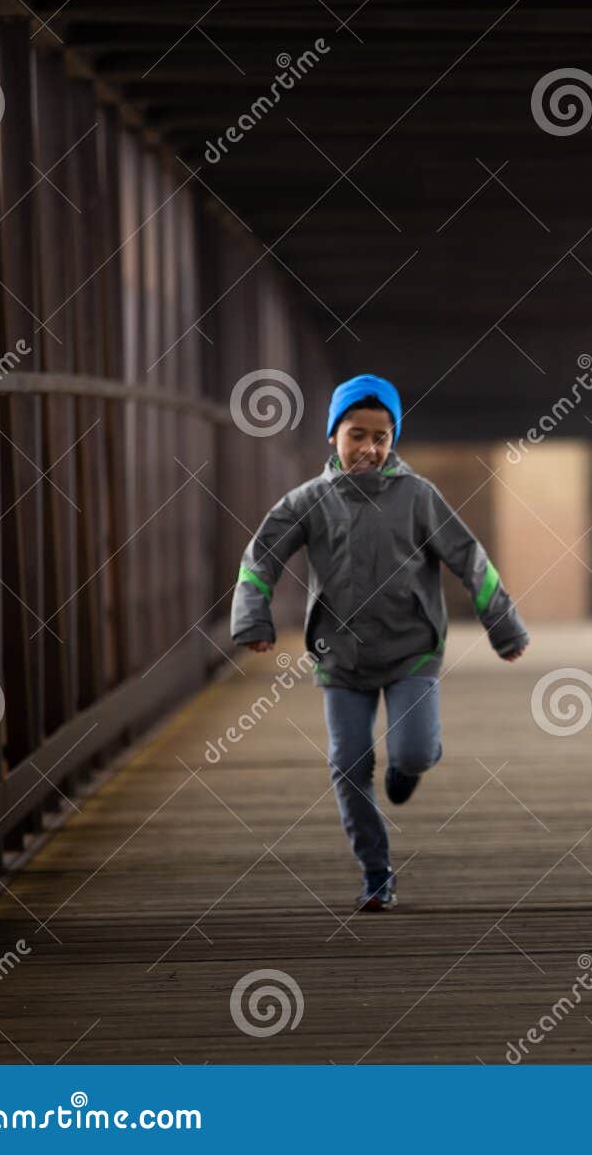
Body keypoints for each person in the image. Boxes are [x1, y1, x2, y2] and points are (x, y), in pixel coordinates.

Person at [230, 374, 529, 911]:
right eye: (356, 435)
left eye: (381, 437)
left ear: (393, 440)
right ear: (333, 436)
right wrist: (253, 620)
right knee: (347, 765)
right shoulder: (308, 501)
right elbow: (261, 557)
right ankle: (376, 871)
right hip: (339, 658)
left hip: (411, 650)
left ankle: (406, 766)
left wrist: (502, 625)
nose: (369, 448)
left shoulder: (417, 496)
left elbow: (470, 559)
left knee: (414, 750)